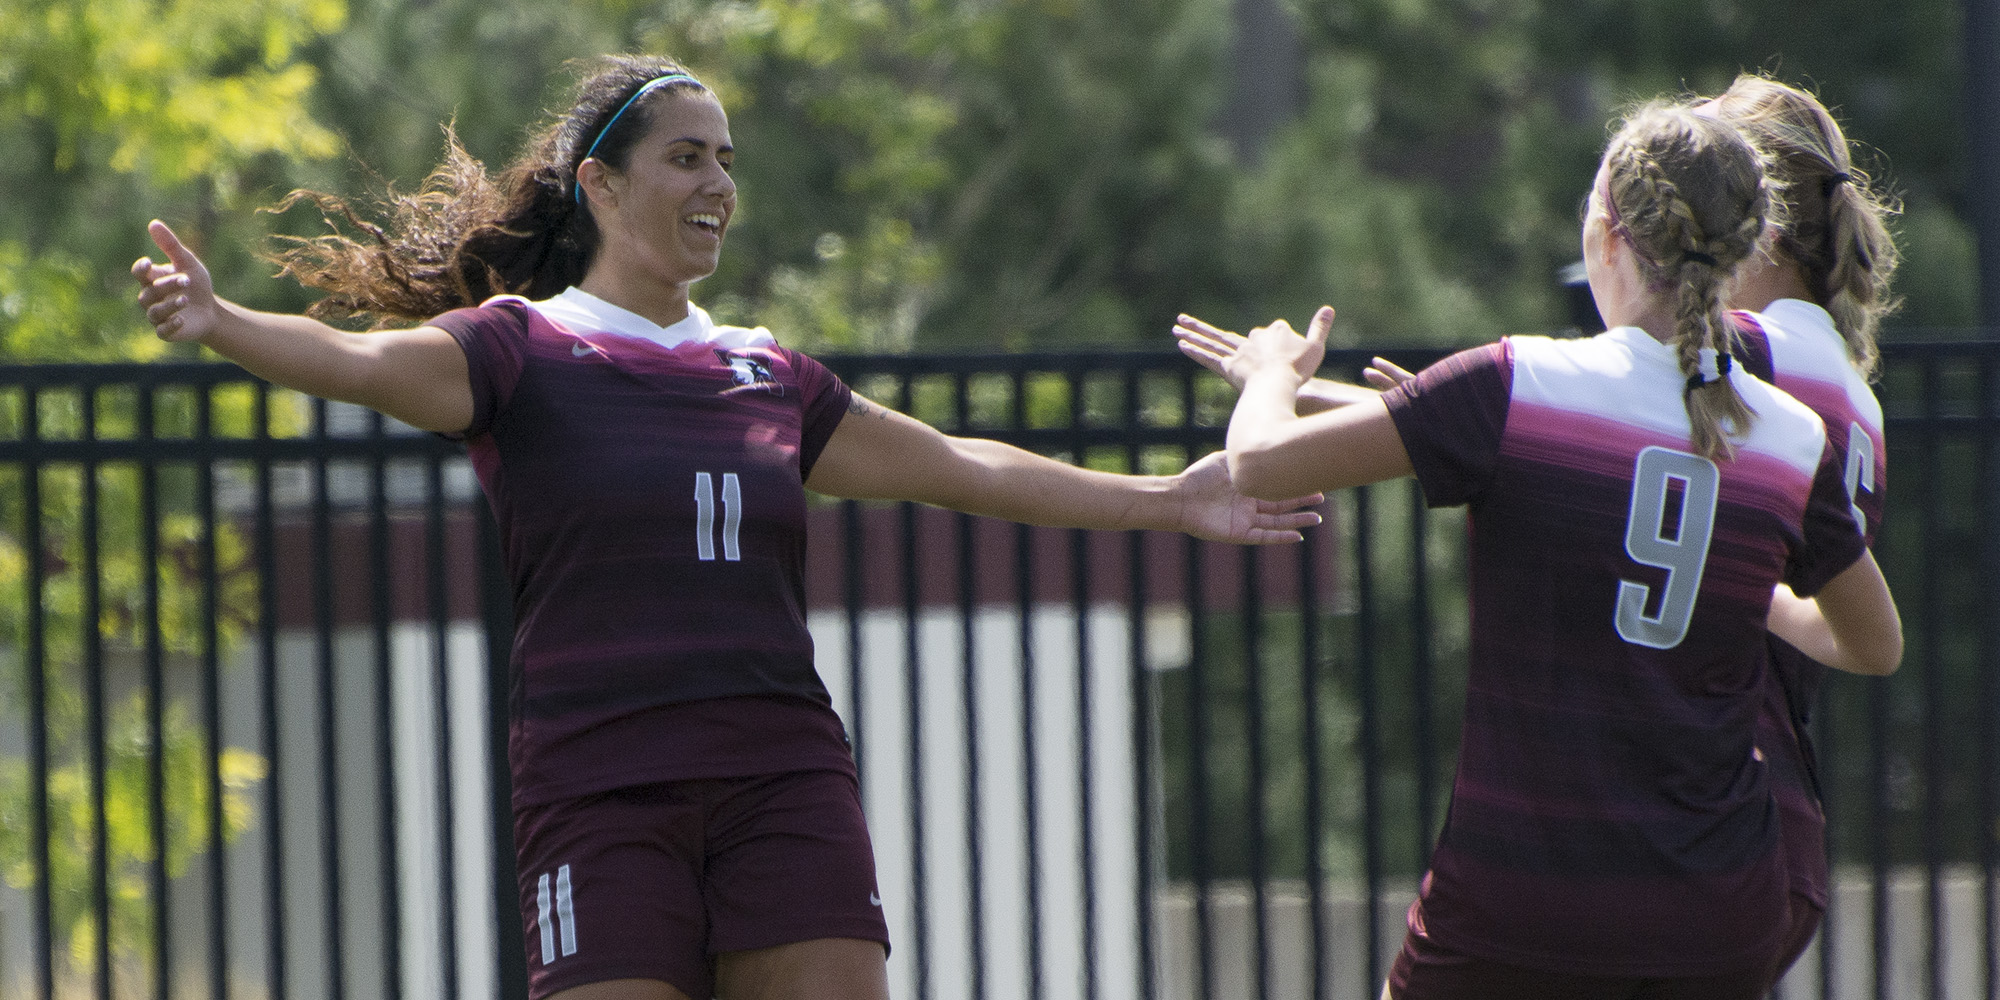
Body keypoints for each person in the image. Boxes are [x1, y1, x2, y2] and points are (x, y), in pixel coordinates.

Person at [131, 54, 1321, 1000]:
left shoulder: (764, 372)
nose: (717, 185)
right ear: (599, 183)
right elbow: (355, 359)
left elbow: (957, 463)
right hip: (600, 792)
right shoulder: (517, 349)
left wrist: (1172, 500)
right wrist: (222, 317)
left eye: (726, 161)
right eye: (685, 157)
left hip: (779, 779)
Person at [1197, 101, 1901, 999]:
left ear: (1607, 236)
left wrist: (1267, 376)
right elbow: (1873, 645)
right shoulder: (1794, 438)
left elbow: (1256, 462)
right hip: (1712, 907)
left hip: (1522, 893)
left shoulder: (1519, 379)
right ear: (1743, 248)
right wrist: (1753, 590)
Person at [1694, 71, 1902, 987]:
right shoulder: (1861, 398)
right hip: (1785, 819)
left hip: (1707, 800)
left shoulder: (1744, 351)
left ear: (1763, 230)